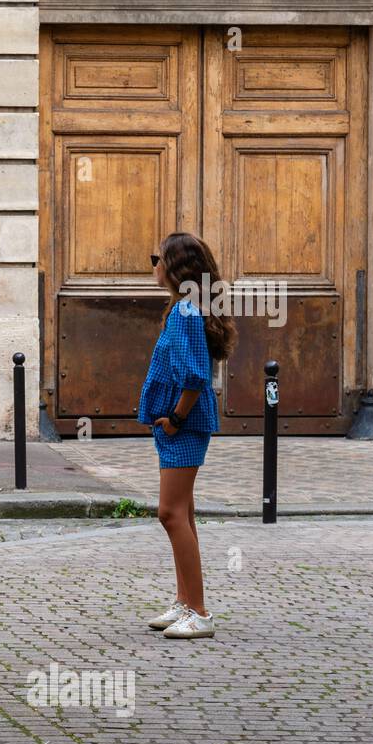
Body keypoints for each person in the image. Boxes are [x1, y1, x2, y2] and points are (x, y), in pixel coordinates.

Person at [139, 232, 237, 638]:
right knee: (183, 513)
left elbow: (196, 375)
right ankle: (184, 602)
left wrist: (175, 418)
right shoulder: (185, 308)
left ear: (175, 268)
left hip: (185, 425)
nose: (154, 265)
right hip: (182, 424)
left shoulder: (185, 313)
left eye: (156, 258)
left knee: (170, 513)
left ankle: (198, 612)